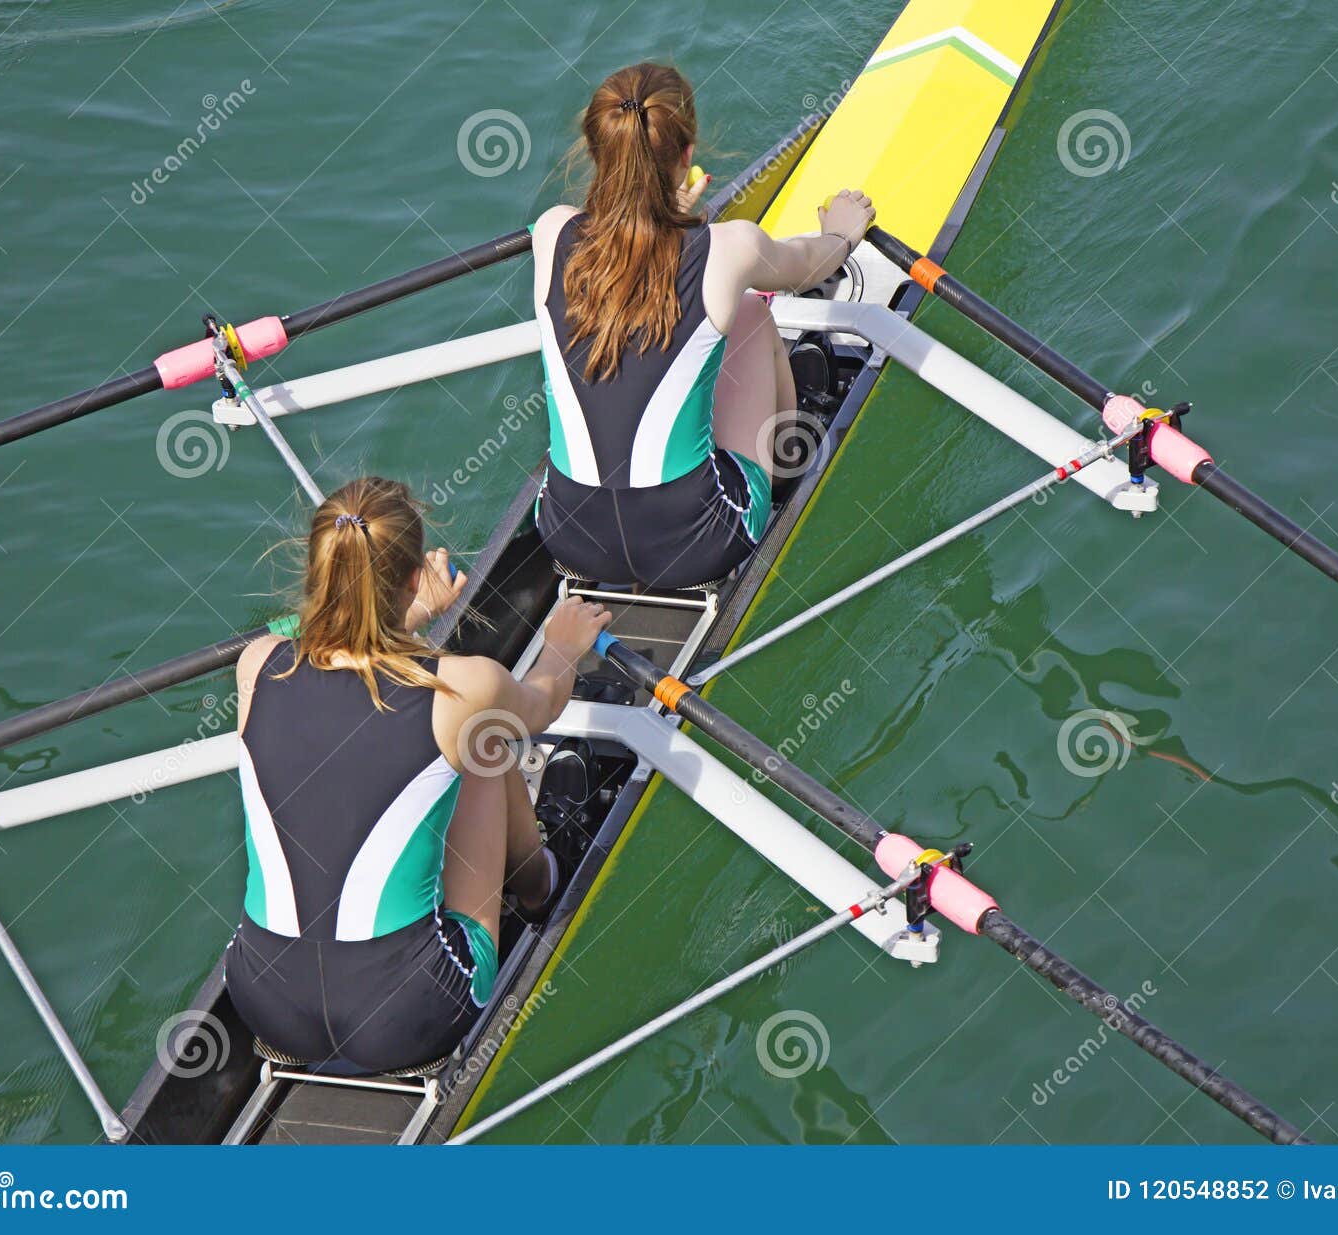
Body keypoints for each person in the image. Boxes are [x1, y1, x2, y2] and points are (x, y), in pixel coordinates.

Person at [223, 476, 611, 1073]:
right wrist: (561, 645)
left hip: (263, 1004)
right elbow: (544, 703)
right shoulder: (463, 686)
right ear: (408, 580)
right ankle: (540, 884)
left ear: (320, 572)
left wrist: (410, 617)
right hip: (403, 1016)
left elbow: (351, 689)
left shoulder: (257, 665)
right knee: (483, 737)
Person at [532, 61, 876, 589]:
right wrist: (842, 235)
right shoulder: (730, 247)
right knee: (750, 313)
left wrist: (669, 212)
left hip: (568, 537)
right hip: (699, 543)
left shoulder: (550, 233)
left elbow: (621, 258)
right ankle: (784, 464)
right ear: (687, 154)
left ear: (596, 151)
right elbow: (807, 265)